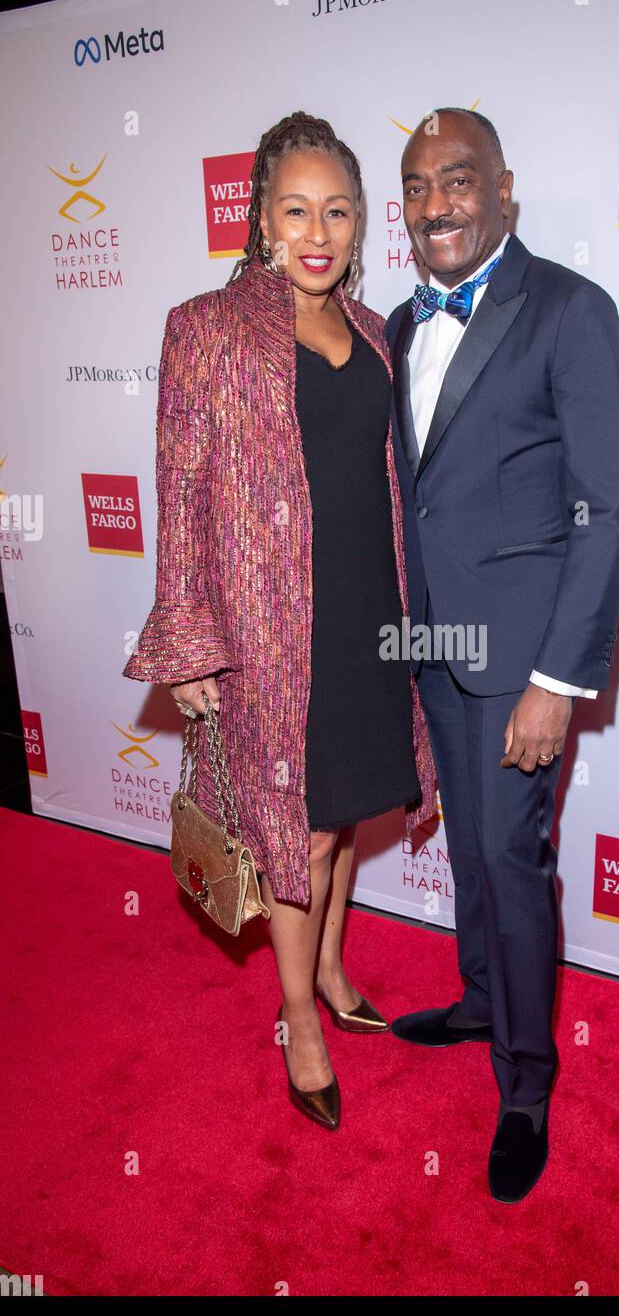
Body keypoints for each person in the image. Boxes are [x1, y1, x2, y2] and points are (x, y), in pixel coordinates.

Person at [123, 112, 437, 1133]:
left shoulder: (378, 332)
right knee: (297, 834)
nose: (317, 229)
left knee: (349, 811)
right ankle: (298, 1015)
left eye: (337, 210)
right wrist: (187, 637)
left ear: (358, 224)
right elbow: (180, 489)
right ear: (260, 218)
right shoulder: (204, 329)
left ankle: (337, 967)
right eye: (296, 208)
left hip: (367, 608)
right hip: (266, 626)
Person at [386, 108, 619, 1201]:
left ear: (503, 191)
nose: (435, 204)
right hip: (435, 643)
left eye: (456, 180)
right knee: (471, 854)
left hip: (523, 661)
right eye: (415, 186)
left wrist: (554, 679)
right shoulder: (395, 322)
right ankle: (484, 998)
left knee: (510, 859)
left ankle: (526, 1081)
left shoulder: (570, 311)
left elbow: (611, 505)